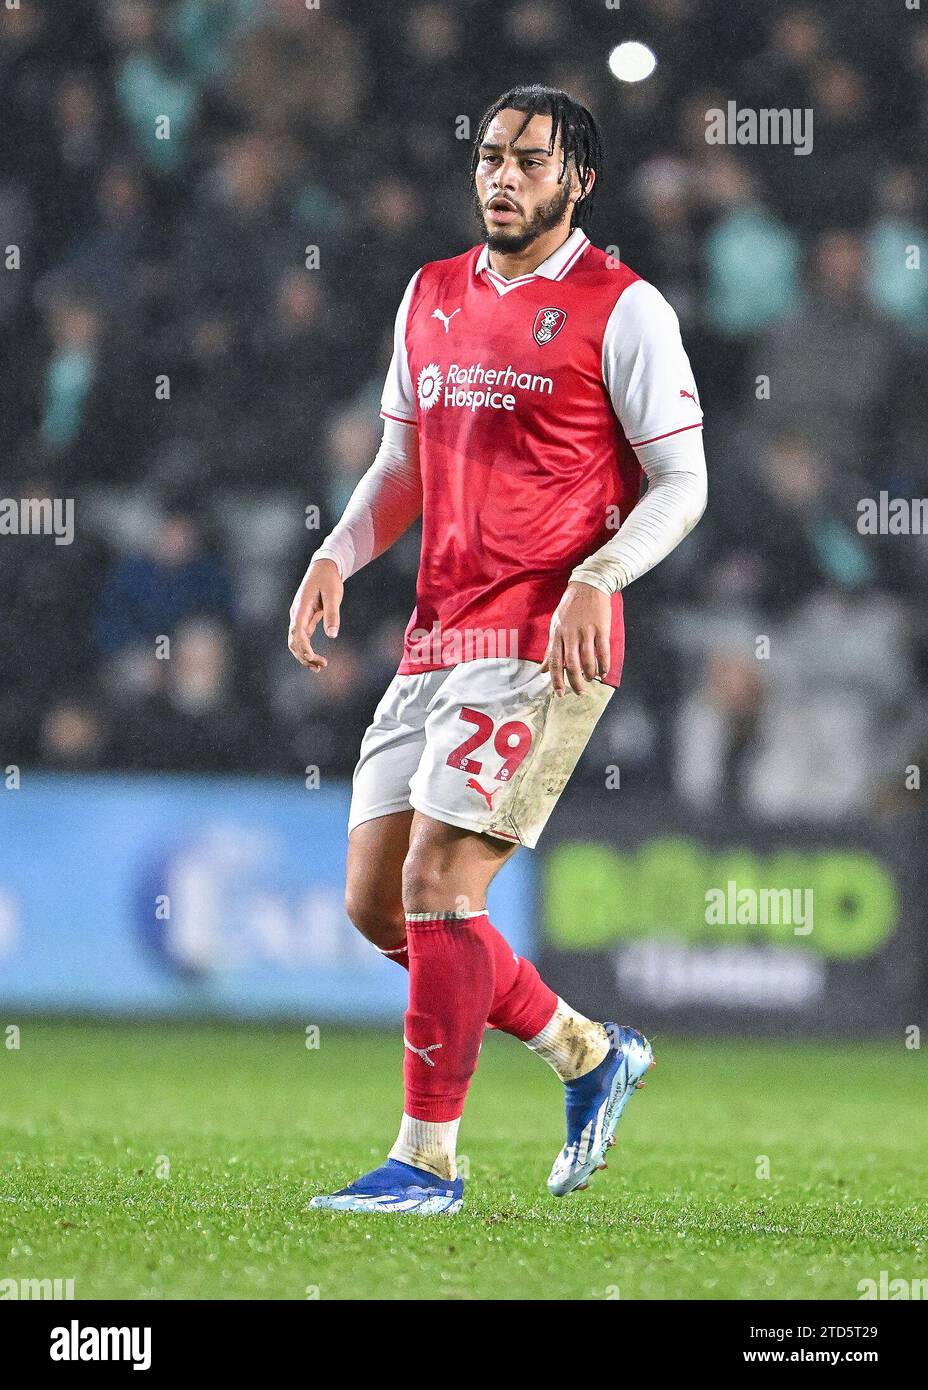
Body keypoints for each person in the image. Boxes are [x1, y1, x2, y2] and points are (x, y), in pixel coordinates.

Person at [288, 86, 707, 1214]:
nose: (502, 176)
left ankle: (427, 1162)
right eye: (489, 156)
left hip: (543, 640)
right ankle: (586, 1052)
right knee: (383, 908)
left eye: (529, 159)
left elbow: (683, 482)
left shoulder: (624, 310)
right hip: (436, 634)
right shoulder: (427, 295)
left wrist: (596, 574)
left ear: (579, 180)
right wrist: (337, 552)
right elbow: (400, 464)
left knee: (439, 882)